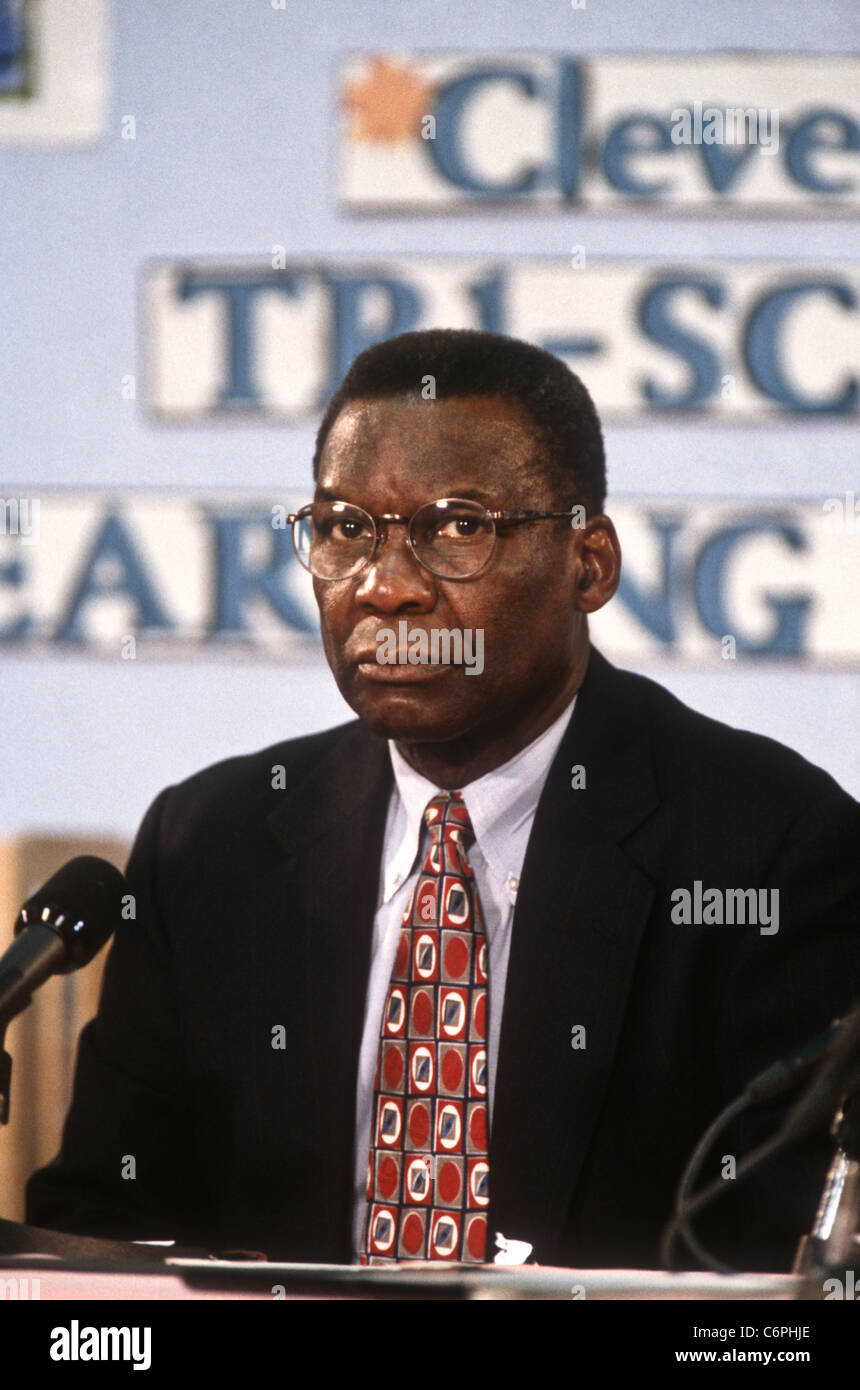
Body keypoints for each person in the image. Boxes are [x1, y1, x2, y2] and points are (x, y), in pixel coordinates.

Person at [26, 329, 860, 1271]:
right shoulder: (207, 845)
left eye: (459, 527)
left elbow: (793, 1275)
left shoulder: (770, 847)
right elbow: (100, 1232)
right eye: (346, 529)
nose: (386, 587)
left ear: (589, 563)